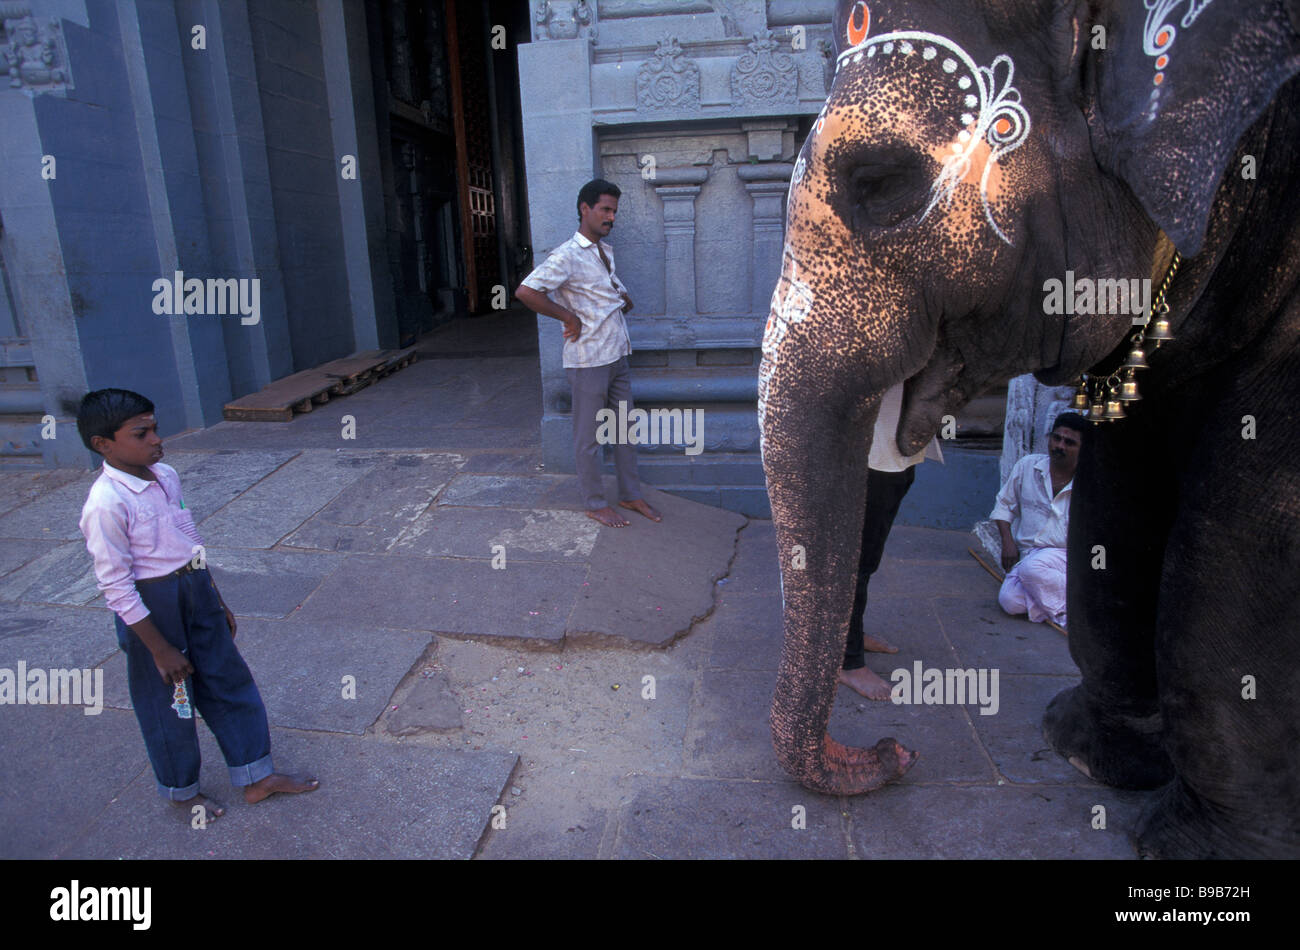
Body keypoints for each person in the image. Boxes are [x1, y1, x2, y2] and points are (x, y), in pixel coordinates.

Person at [77, 389, 318, 821]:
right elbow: (114, 584)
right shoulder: (105, 503)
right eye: (141, 433)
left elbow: (189, 537)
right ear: (103, 445)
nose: (155, 439)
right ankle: (181, 790)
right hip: (152, 609)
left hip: (196, 591)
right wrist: (159, 648)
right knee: (171, 701)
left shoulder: (165, 475)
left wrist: (214, 596)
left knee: (229, 679)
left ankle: (256, 776)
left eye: (154, 427)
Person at [515, 178, 661, 528]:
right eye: (605, 210)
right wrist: (567, 316)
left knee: (625, 431)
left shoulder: (603, 251)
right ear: (585, 209)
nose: (611, 217)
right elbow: (526, 291)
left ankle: (629, 493)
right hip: (587, 361)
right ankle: (595, 503)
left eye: (614, 211)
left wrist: (621, 299)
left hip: (616, 356)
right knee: (589, 437)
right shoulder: (567, 255)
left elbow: (604, 295)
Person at [837, 382, 942, 700]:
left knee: (867, 560)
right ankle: (847, 660)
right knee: (854, 563)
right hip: (871, 449)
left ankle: (849, 635)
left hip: (899, 443)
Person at [990, 411, 1085, 629]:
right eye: (1056, 438)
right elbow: (1004, 505)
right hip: (1029, 555)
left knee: (1032, 570)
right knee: (1010, 601)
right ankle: (1073, 600)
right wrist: (1007, 542)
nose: (1059, 446)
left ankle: (1065, 617)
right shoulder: (1028, 466)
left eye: (1069, 442)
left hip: (1064, 557)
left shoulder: (1088, 483)